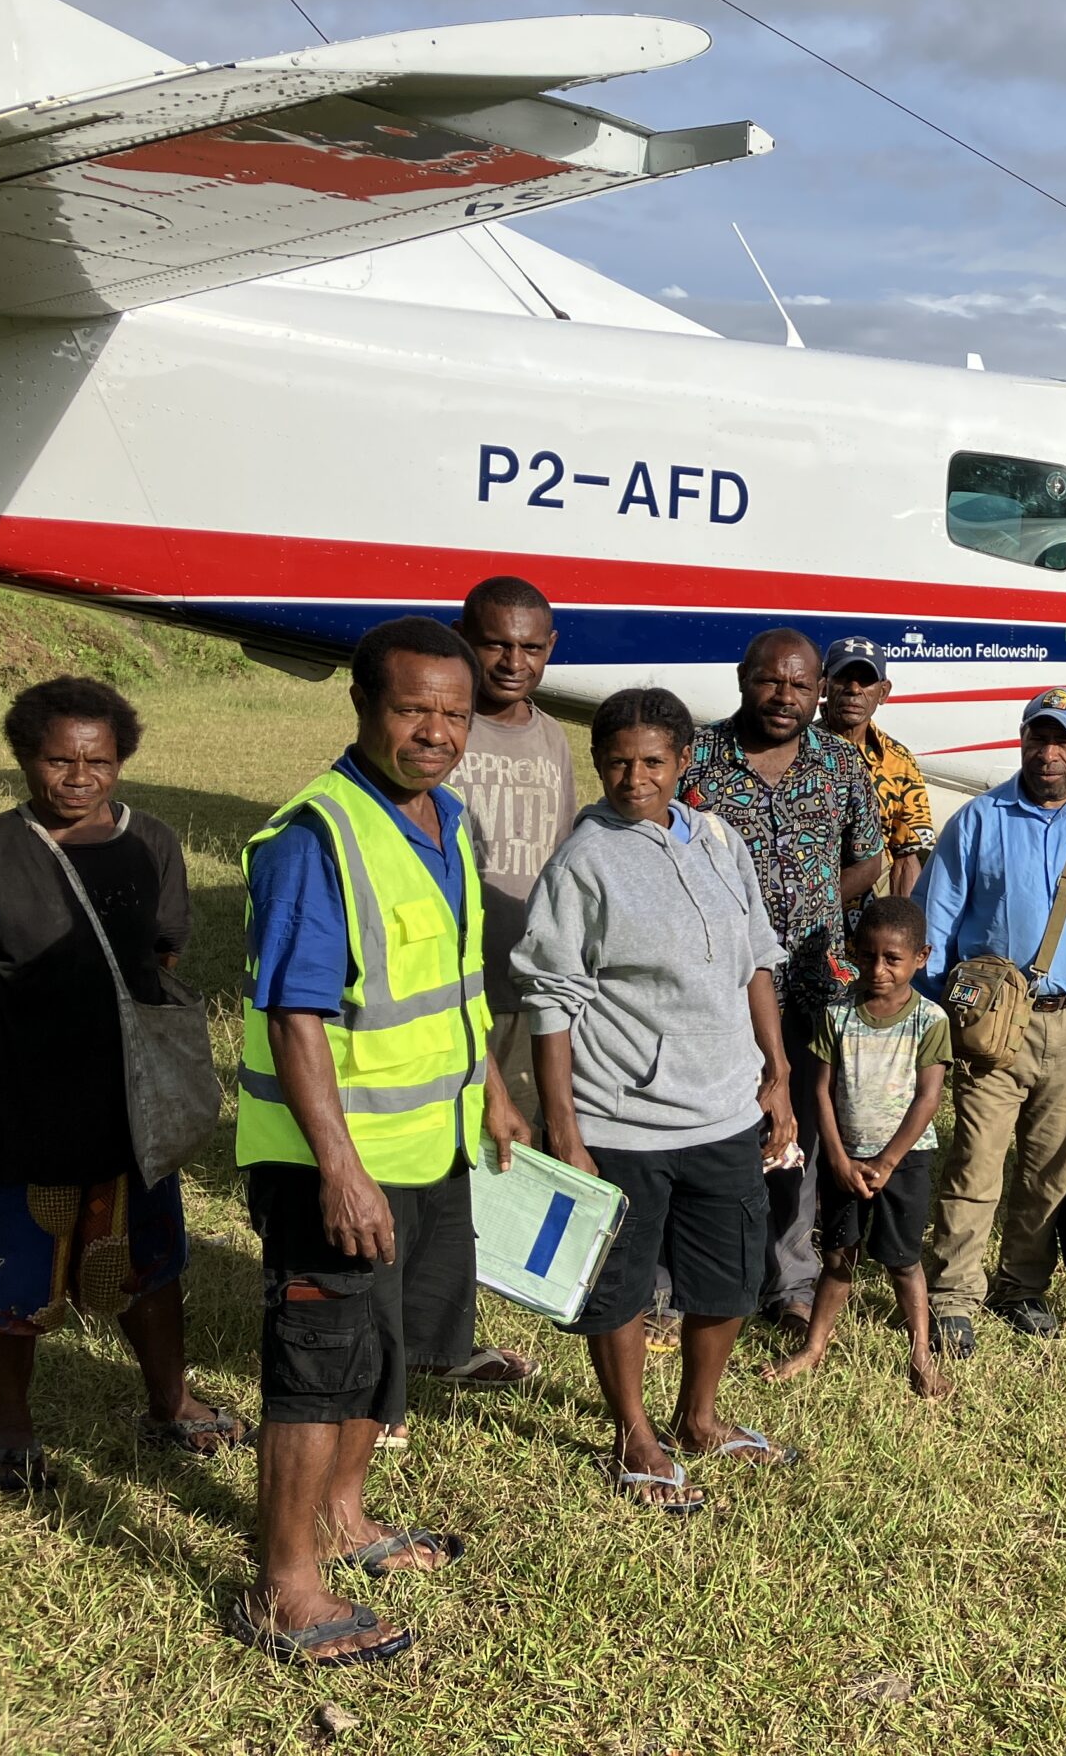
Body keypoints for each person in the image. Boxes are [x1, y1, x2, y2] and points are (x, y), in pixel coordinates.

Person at [235, 617, 529, 1666]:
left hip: (428, 1148)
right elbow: (295, 1016)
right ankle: (285, 1585)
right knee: (316, 1366)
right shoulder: (318, 837)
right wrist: (341, 1170)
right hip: (336, 1166)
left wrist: (491, 1088)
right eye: (413, 710)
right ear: (363, 708)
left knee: (382, 1350)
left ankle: (346, 1518)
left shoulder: (446, 818)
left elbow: (452, 985)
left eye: (454, 713)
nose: (438, 731)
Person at [0, 678, 244, 1496]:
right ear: (23, 757)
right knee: (7, 1285)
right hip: (13, 1115)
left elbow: (165, 957)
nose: (79, 777)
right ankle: (11, 1431)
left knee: (151, 1270)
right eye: (58, 759)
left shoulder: (151, 843)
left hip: (127, 1114)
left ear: (122, 761)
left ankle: (171, 1401)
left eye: (99, 760)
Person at [513, 687, 799, 1511]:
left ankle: (702, 1417)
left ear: (681, 762)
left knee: (729, 1278)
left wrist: (775, 1074)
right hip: (621, 1118)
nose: (634, 777)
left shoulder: (717, 838)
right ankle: (635, 1433)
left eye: (651, 762)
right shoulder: (583, 860)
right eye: (616, 762)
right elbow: (550, 997)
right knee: (622, 1285)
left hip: (725, 1108)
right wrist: (563, 1127)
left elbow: (755, 960)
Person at [364, 575, 574, 1426]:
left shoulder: (556, 737)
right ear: (464, 639)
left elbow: (558, 852)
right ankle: (389, 1363)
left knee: (485, 1162)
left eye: (531, 647)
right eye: (496, 644)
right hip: (434, 984)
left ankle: (448, 1337)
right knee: (415, 1169)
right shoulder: (435, 723)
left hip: (517, 980)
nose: (513, 662)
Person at [916, 687, 1066, 1353]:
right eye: (1037, 737)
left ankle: (1022, 1284)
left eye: (1063, 740)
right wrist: (938, 1021)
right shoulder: (979, 821)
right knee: (976, 1162)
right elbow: (936, 921)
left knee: (1051, 1167)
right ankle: (954, 1296)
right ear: (1022, 741)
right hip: (992, 1025)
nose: (1048, 753)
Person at [681, 628, 883, 1341]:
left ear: (820, 691)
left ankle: (790, 1282)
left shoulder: (839, 763)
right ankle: (687, 1282)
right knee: (705, 1131)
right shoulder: (695, 757)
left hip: (813, 986)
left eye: (801, 686)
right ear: (743, 678)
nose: (785, 697)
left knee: (799, 1132)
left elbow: (869, 858)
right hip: (715, 984)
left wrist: (820, 903)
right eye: (772, 682)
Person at [762, 896, 952, 1397]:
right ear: (851, 953)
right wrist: (840, 1160)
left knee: (903, 1259)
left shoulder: (930, 1020)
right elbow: (821, 1091)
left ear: (922, 957)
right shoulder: (837, 1015)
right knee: (838, 1257)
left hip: (904, 1163)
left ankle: (920, 1353)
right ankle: (814, 1347)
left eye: (893, 959)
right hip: (846, 1160)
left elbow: (928, 1098)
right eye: (868, 957)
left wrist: (888, 1161)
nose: (879, 969)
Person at [819, 635, 935, 910]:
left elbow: (906, 858)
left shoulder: (900, 762)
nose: (854, 689)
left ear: (883, 692)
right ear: (824, 686)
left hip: (867, 935)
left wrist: (902, 929)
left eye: (866, 681)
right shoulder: (795, 750)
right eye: (843, 678)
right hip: (801, 918)